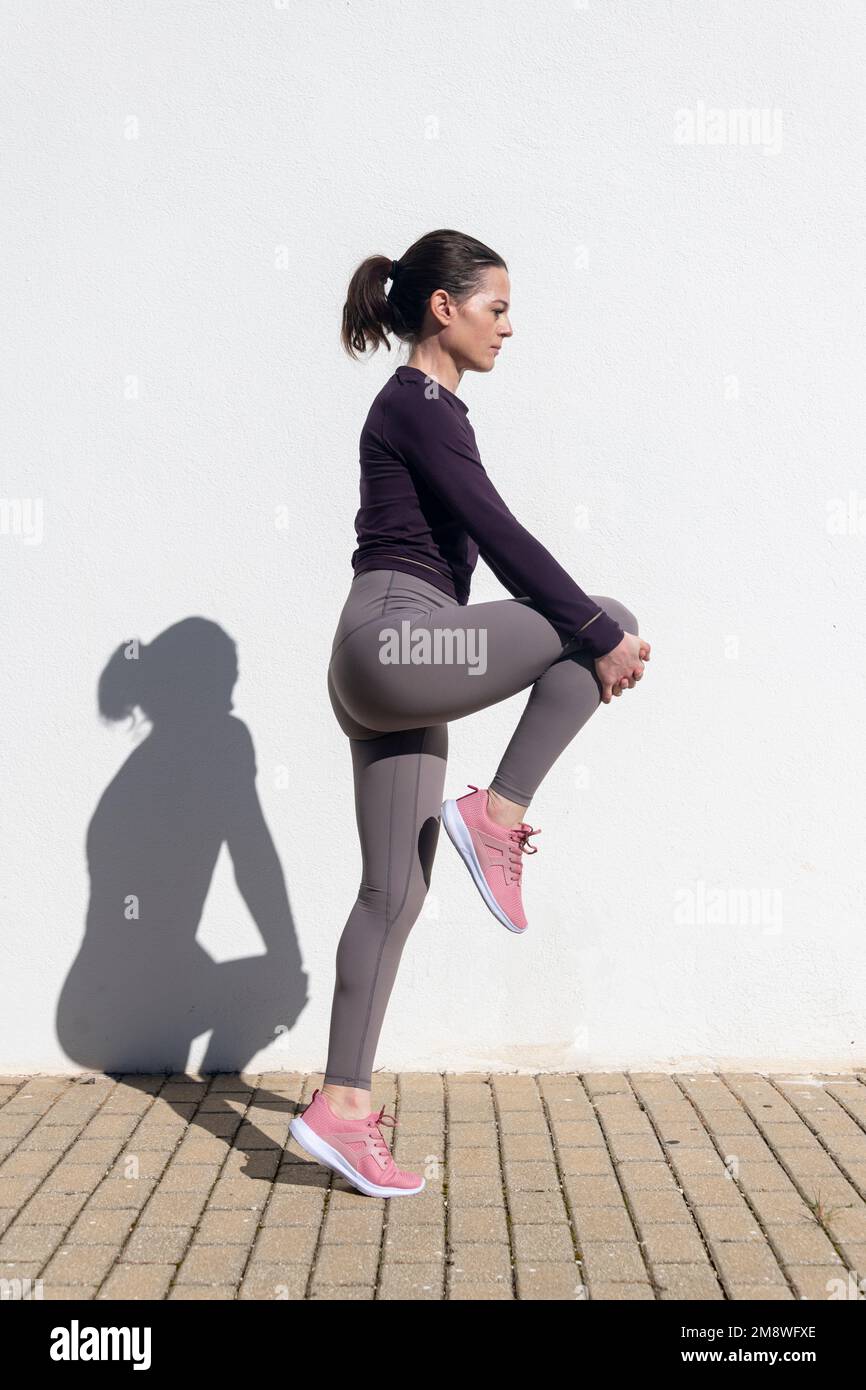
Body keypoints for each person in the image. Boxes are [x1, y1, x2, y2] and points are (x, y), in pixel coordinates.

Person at [289, 228, 650, 1197]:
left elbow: (480, 541)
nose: (508, 327)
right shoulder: (419, 404)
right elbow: (495, 527)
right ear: (441, 309)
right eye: (495, 308)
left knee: (391, 894)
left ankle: (342, 1107)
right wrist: (592, 632)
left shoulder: (420, 409)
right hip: (399, 642)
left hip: (393, 655)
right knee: (603, 621)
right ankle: (496, 817)